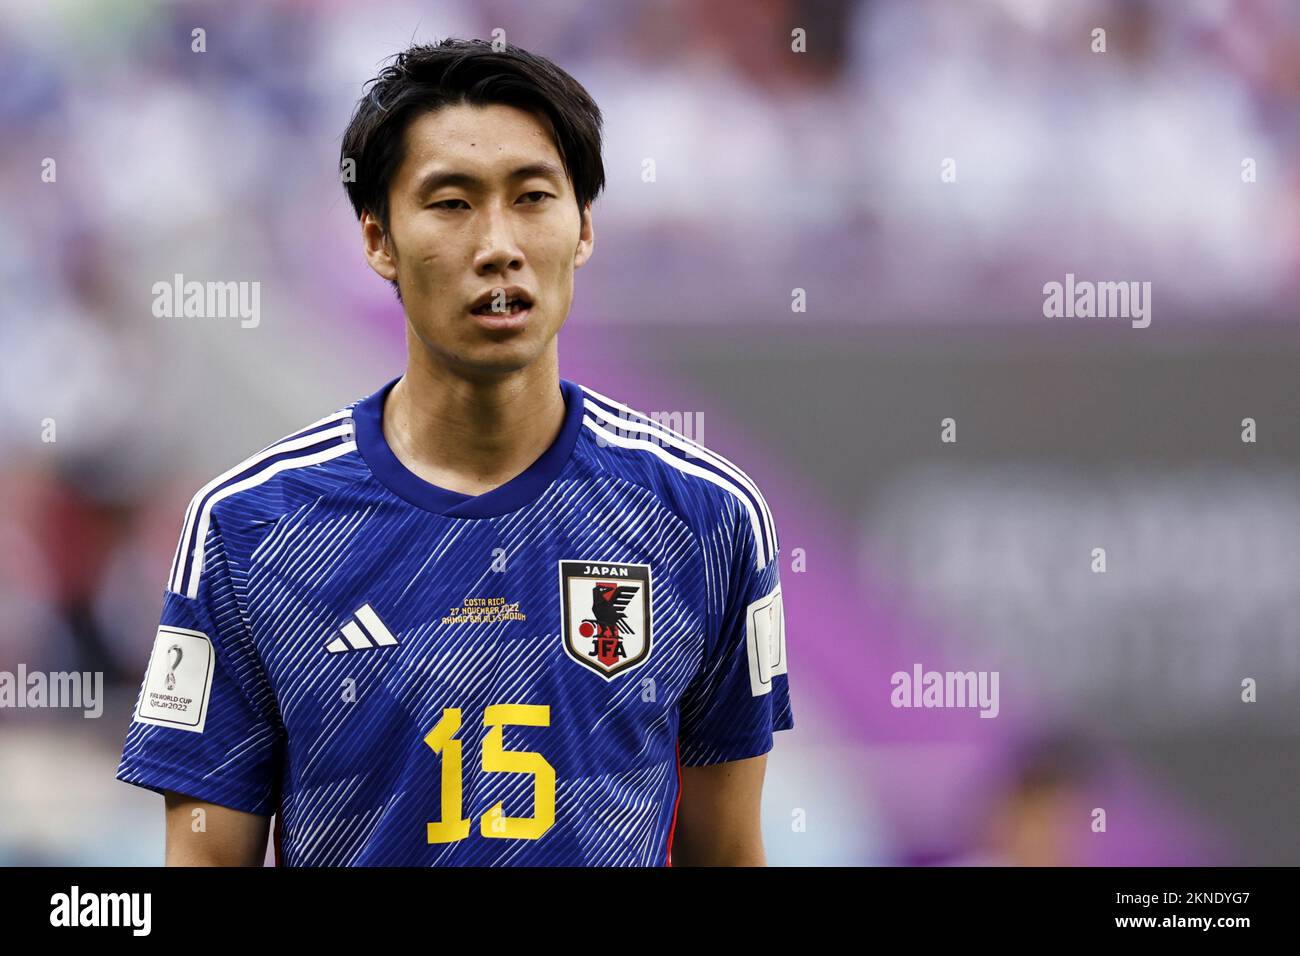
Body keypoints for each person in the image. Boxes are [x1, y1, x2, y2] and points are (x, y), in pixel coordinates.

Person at [116, 38, 791, 866]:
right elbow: (205, 859)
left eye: (533, 197)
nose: (498, 244)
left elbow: (726, 851)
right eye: (451, 203)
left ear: (583, 229)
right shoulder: (250, 528)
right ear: (377, 240)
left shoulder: (705, 518)